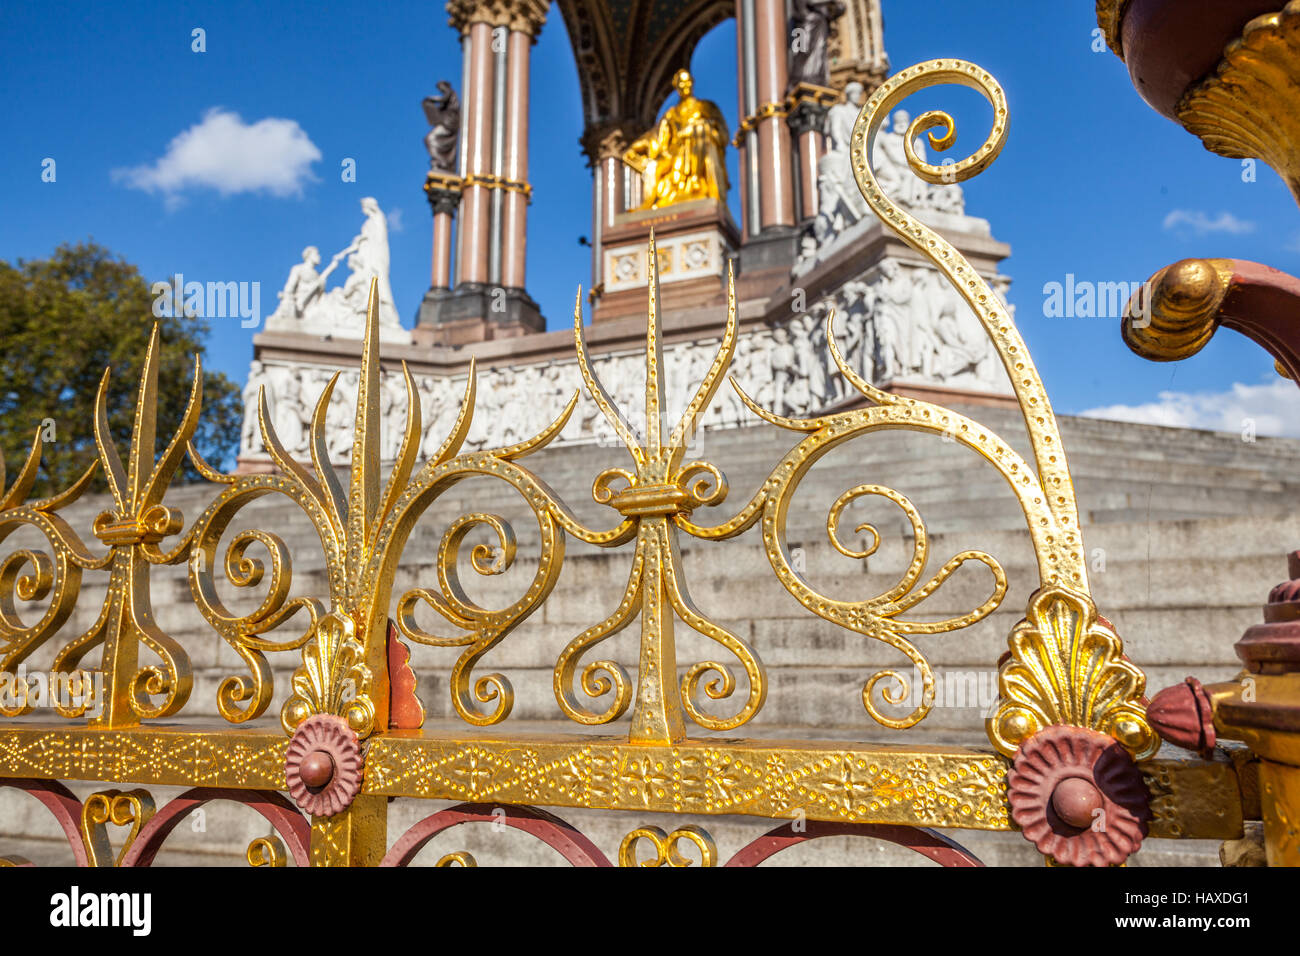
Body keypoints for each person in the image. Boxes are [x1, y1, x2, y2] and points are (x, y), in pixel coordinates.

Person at [624, 70, 729, 209]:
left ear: (692, 82)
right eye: (681, 83)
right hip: (675, 154)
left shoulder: (706, 107)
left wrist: (697, 128)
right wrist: (637, 149)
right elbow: (659, 138)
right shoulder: (671, 114)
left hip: (698, 147)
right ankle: (648, 204)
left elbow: (722, 131)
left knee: (700, 131)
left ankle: (696, 180)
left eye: (687, 81)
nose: (685, 85)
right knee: (653, 167)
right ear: (676, 87)